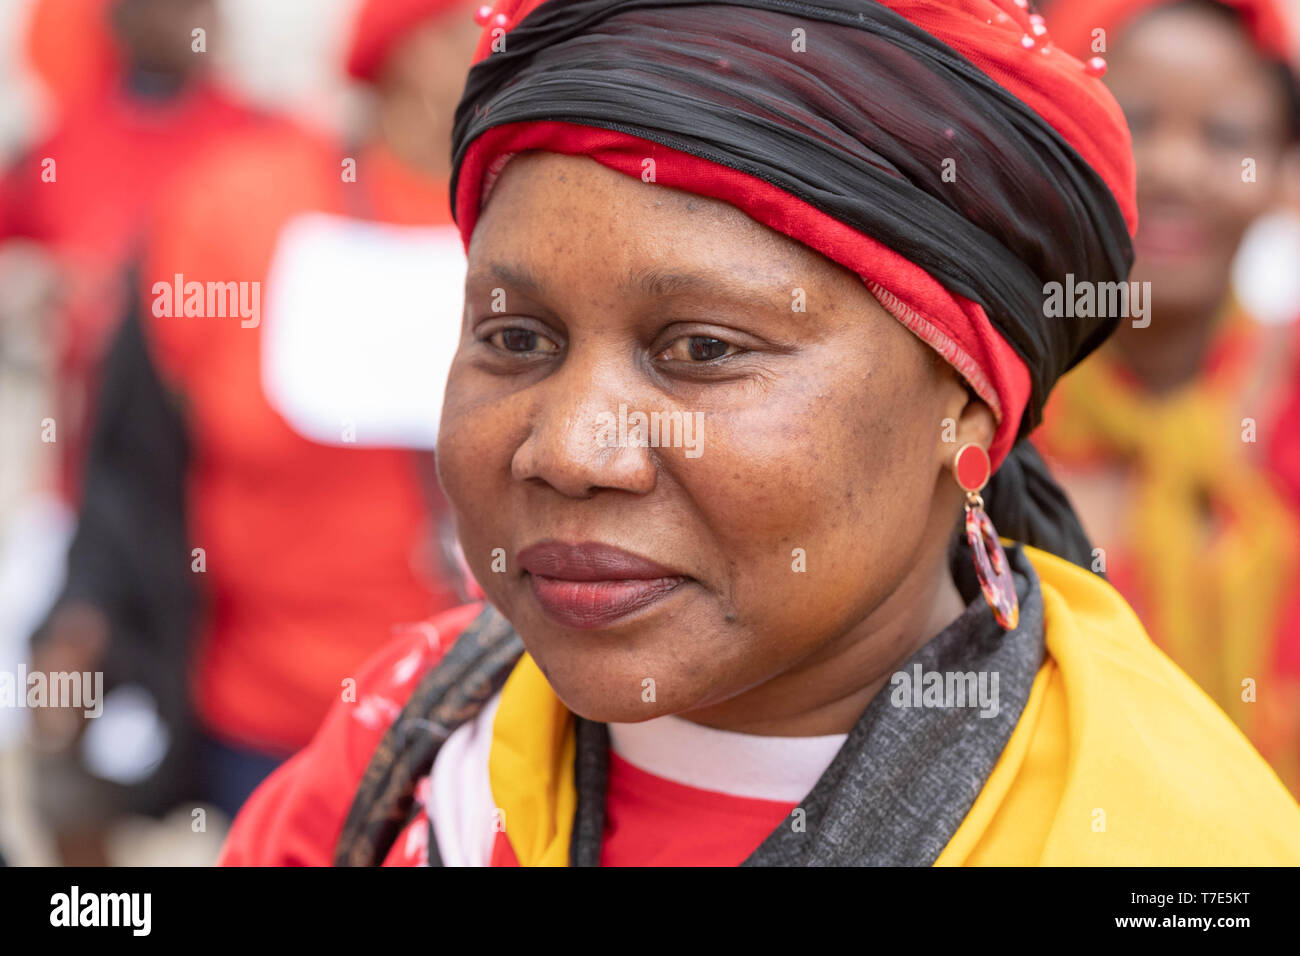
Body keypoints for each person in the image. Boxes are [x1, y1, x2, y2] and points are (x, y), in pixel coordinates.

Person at [222, 0, 1300, 866]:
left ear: (965, 401)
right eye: (516, 336)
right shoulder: (408, 737)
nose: (569, 449)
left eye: (700, 349)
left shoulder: (1160, 841)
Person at [28, 0, 482, 865]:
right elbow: (129, 462)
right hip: (265, 719)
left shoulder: (554, 219)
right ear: (405, 51)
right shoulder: (237, 206)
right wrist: (86, 617)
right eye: (477, 24)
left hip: (487, 711)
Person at [1035, 0, 1300, 796]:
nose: (1175, 169)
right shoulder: (983, 412)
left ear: (1280, 166)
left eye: (1225, 137)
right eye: (1135, 122)